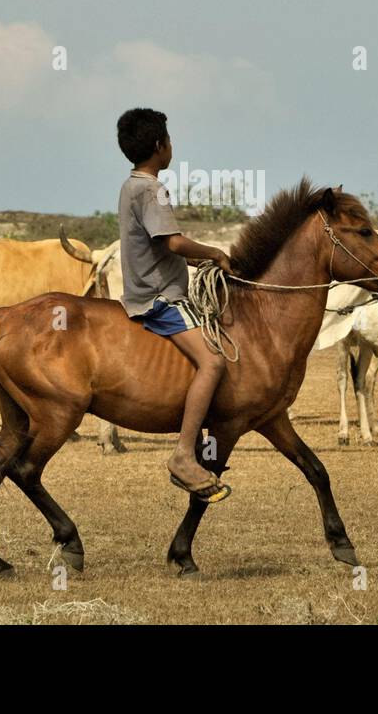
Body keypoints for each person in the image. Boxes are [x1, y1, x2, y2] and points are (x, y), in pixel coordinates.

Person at [116, 108, 233, 503]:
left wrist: (194, 260)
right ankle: (184, 455)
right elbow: (173, 243)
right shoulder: (152, 189)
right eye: (168, 139)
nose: (171, 146)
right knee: (214, 361)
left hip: (148, 288)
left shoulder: (131, 185)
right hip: (160, 297)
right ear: (158, 146)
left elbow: (158, 245)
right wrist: (214, 253)